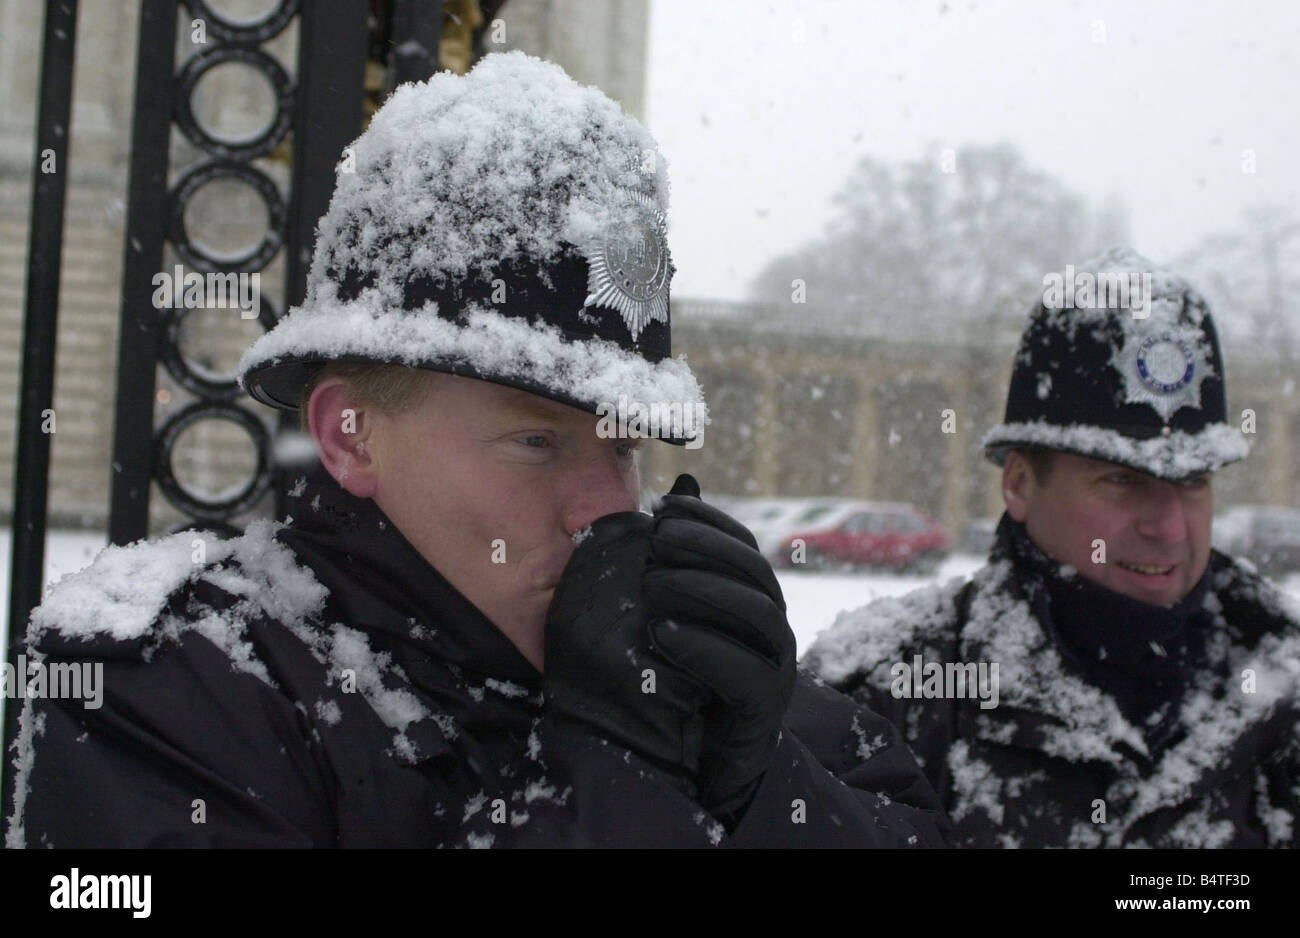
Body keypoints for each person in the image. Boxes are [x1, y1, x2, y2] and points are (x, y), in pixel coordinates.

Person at [5, 52, 948, 848]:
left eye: (625, 448)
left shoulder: (727, 690)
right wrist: (613, 775)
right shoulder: (172, 690)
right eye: (536, 439)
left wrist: (762, 794)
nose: (610, 509)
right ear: (350, 434)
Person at [804, 248, 1300, 848]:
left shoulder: (1284, 683)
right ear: (1018, 483)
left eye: (1193, 482)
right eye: (1121, 480)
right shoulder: (882, 696)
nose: (1169, 526)